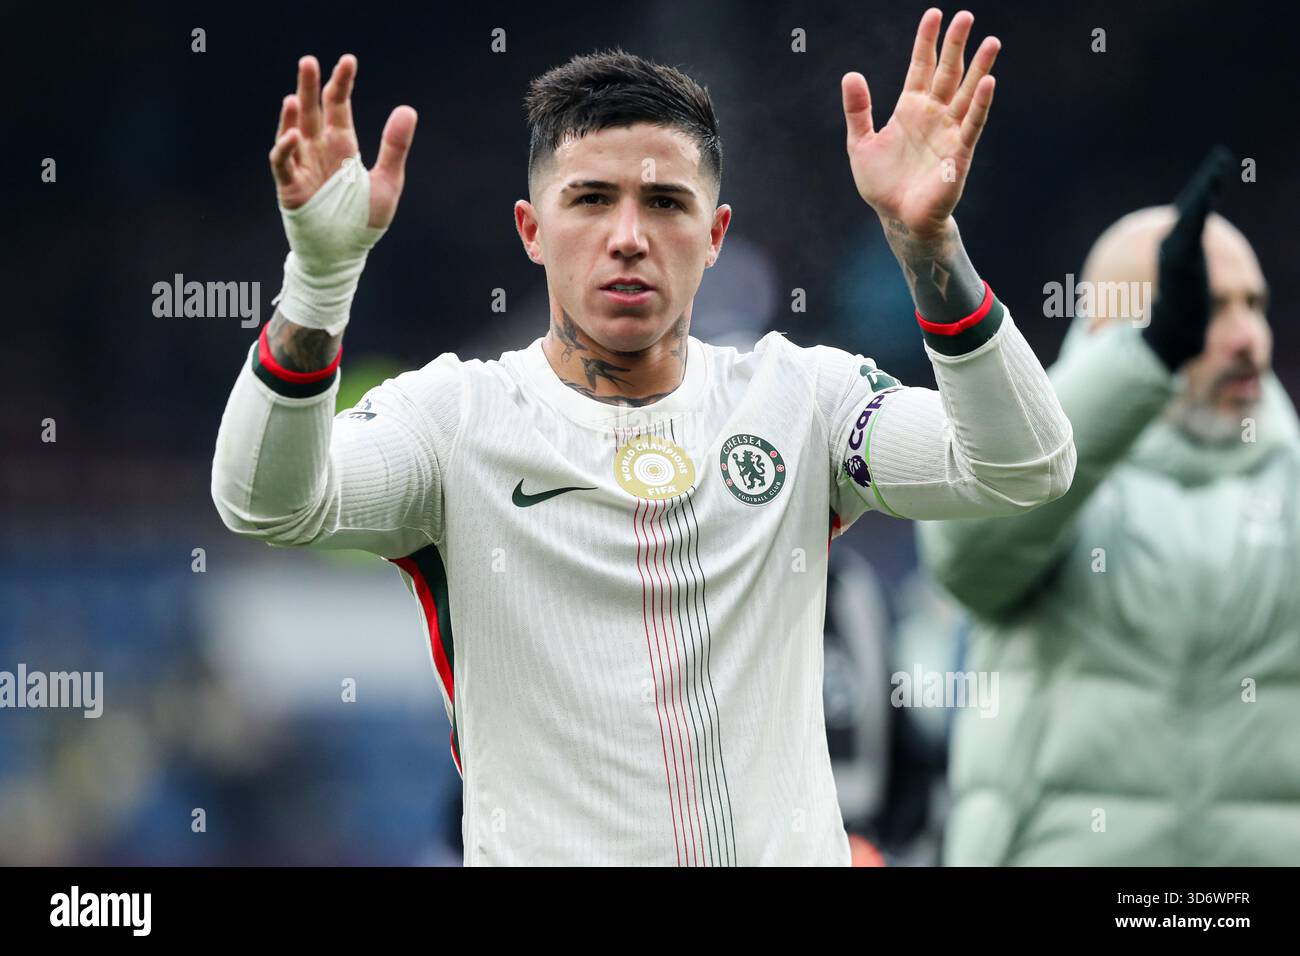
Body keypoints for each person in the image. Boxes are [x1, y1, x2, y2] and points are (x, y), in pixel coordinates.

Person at [212, 9, 1075, 865]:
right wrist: (319, 284)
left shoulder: (802, 399)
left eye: (665, 202)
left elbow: (1023, 466)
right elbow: (264, 503)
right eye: (590, 199)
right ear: (532, 230)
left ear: (714, 235)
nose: (628, 237)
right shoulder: (452, 421)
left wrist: (928, 244)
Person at [919, 149, 1300, 865]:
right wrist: (1150, 359)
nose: (1248, 339)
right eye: (1206, 306)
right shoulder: (1027, 475)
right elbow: (964, 562)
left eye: (1256, 305)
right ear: (1107, 331)